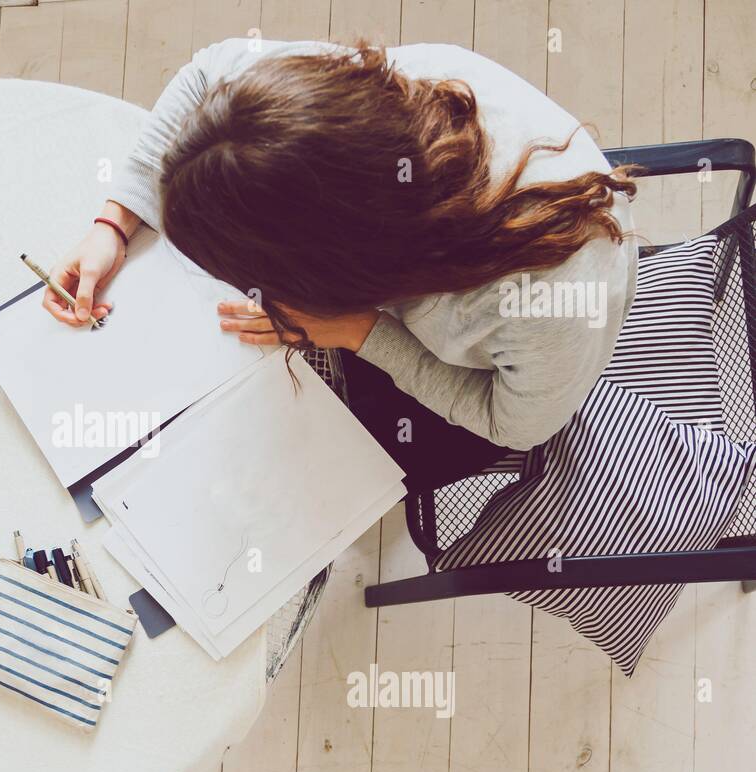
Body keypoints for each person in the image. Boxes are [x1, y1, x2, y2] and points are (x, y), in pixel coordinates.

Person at [41, 38, 638, 492]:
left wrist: (357, 333)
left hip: (474, 389)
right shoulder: (344, 109)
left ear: (335, 277)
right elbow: (208, 72)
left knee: (298, 473)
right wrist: (115, 220)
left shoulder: (545, 302)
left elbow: (513, 425)